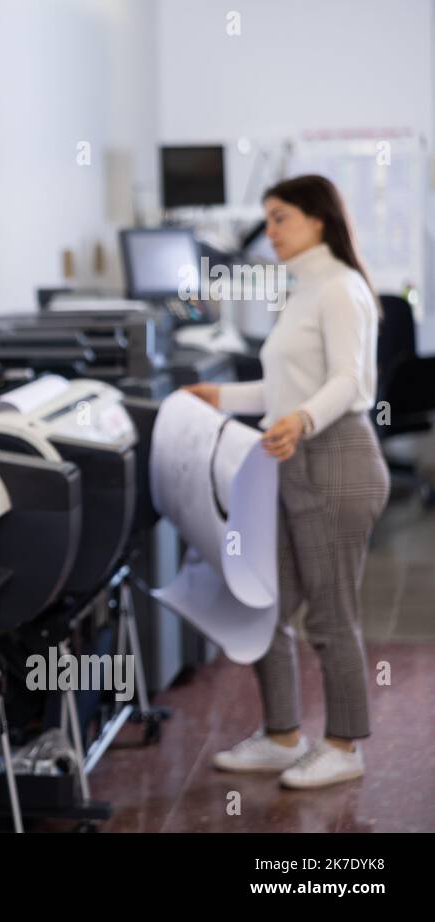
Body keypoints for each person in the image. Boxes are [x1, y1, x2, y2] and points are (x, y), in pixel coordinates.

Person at [185, 174, 389, 789]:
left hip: (336, 459)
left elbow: (349, 383)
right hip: (293, 455)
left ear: (317, 220)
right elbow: (286, 388)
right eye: (267, 219)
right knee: (263, 603)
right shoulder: (301, 290)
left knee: (330, 615)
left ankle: (345, 746)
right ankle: (281, 736)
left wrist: (300, 419)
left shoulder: (341, 288)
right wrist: (220, 394)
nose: (268, 231)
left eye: (280, 218)